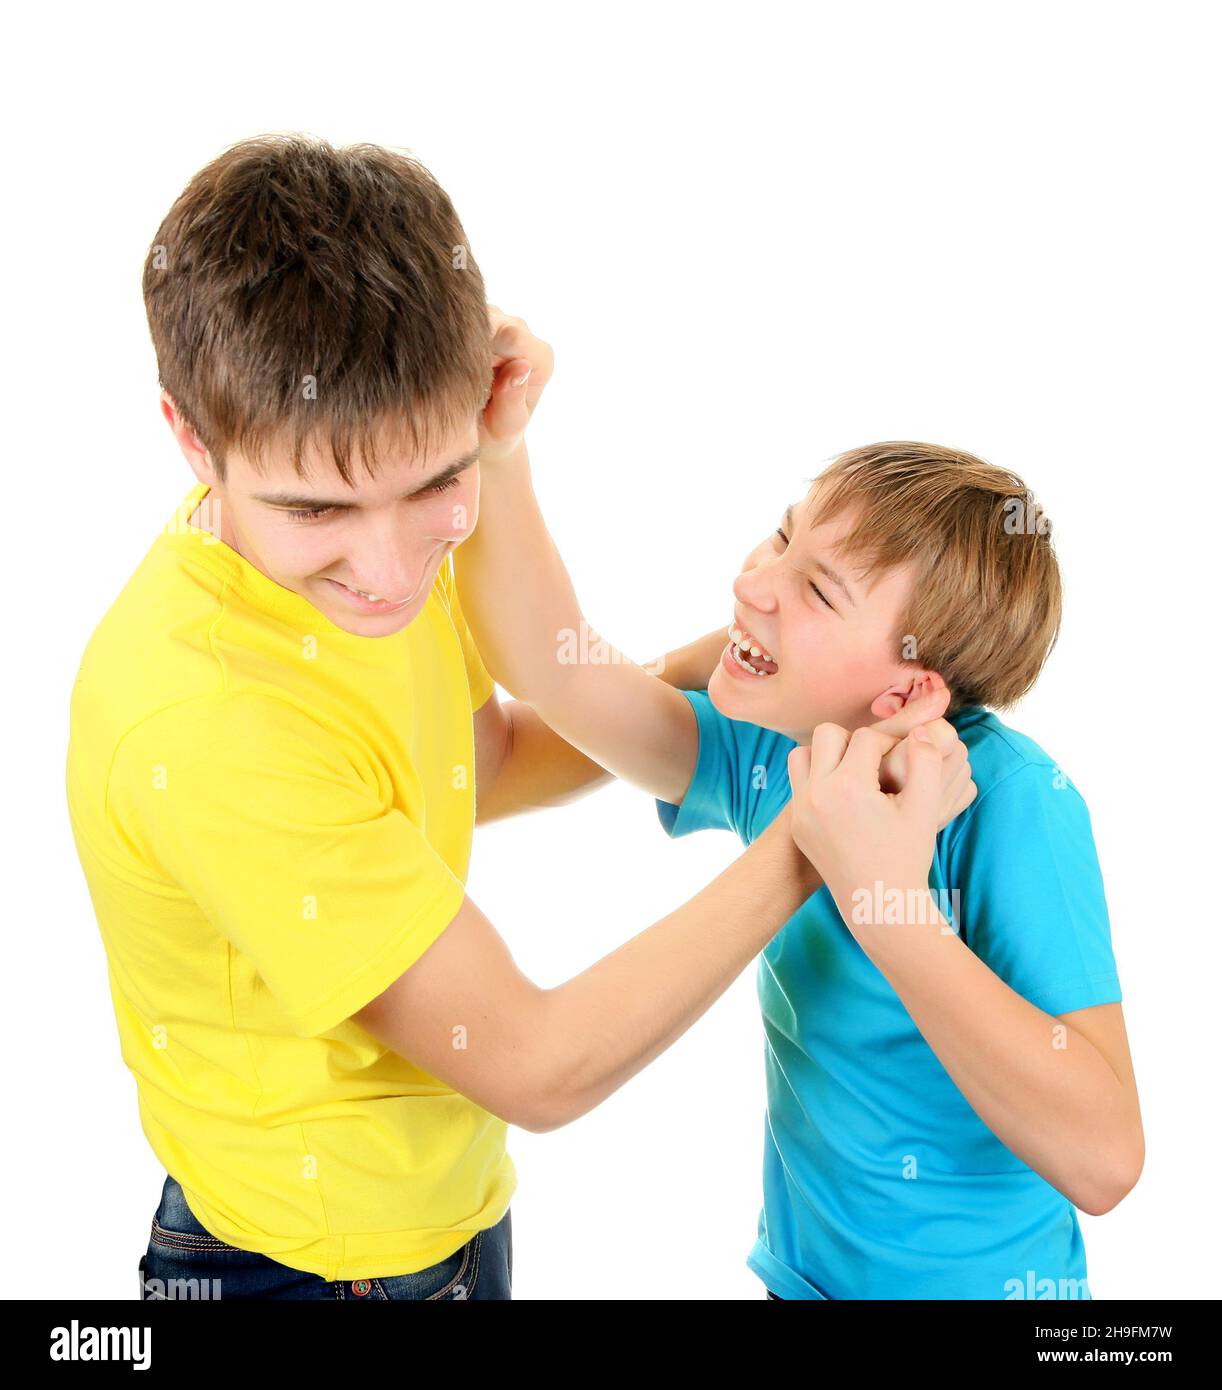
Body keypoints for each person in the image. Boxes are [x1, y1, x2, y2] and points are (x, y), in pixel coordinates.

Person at [65, 134, 971, 1301]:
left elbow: (477, 759)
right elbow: (537, 1067)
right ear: (192, 440)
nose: (390, 574)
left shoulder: (355, 531)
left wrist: (743, 667)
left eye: (438, 483)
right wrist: (816, 840)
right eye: (316, 510)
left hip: (446, 1221)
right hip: (304, 1269)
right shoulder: (207, 722)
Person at [455, 314, 1145, 1299]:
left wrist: (883, 899)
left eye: (816, 591)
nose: (750, 582)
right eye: (778, 536)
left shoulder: (1017, 806)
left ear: (908, 694)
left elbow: (1106, 1157)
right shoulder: (771, 743)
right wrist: (499, 449)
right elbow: (558, 670)